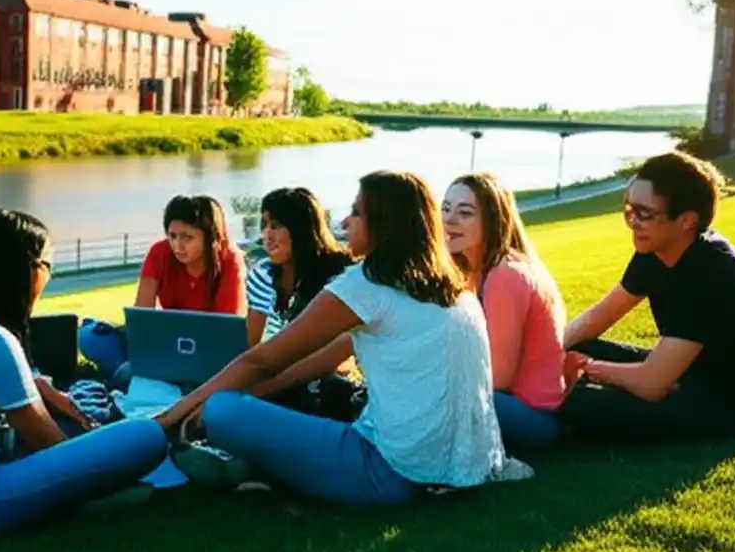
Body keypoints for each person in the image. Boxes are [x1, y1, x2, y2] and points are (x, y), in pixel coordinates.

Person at [156, 171, 530, 507]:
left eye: (356, 213)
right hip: (464, 467)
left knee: (223, 410)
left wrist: (172, 416)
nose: (344, 222)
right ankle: (252, 466)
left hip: (389, 472)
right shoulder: (452, 286)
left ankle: (249, 467)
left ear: (383, 225)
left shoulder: (367, 283)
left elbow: (263, 359)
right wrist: (255, 396)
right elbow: (313, 362)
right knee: (252, 408)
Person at [0, 210, 166, 537]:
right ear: (27, 269)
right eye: (47, 267)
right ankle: (86, 502)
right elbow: (46, 441)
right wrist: (95, 463)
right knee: (145, 436)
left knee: (83, 430)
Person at [559, 151, 735, 440]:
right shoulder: (654, 249)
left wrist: (586, 368)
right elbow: (597, 317)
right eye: (629, 210)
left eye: (645, 213)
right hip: (690, 372)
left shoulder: (710, 275)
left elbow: (651, 384)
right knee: (581, 344)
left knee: (574, 404)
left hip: (734, 402)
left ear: (686, 221)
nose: (633, 222)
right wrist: (549, 351)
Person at [443, 173, 567, 450]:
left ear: (492, 220)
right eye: (445, 208)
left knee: (431, 393)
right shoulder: (471, 271)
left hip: (531, 416)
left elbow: (499, 376)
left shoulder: (505, 275)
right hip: (503, 404)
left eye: (465, 213)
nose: (449, 220)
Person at [79, 194, 246, 384]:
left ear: (211, 237)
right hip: (166, 345)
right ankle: (139, 374)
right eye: (172, 236)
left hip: (208, 354)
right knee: (89, 336)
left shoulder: (230, 260)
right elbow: (142, 316)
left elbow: (227, 331)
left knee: (131, 372)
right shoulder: (160, 252)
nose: (177, 246)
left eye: (187, 237)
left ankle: (133, 376)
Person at [245, 187, 355, 346]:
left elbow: (338, 354)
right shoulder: (262, 274)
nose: (267, 235)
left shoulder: (339, 278)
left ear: (300, 230)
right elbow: (253, 346)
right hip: (273, 366)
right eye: (264, 225)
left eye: (275, 226)